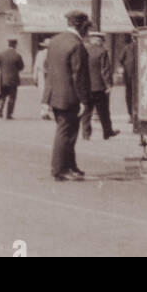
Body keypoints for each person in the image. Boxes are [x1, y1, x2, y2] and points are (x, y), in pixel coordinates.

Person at [47, 11, 92, 181]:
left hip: (57, 96)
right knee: (65, 133)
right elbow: (78, 75)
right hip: (71, 97)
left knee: (69, 132)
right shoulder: (76, 45)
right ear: (80, 26)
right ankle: (59, 169)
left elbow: (49, 71)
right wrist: (83, 100)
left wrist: (46, 99)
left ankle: (71, 166)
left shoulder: (55, 41)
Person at [80, 31, 119, 140]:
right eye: (101, 40)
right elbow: (105, 70)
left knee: (87, 111)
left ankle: (86, 134)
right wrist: (108, 85)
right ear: (98, 40)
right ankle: (107, 132)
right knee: (103, 111)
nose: (102, 42)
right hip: (99, 87)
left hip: (86, 86)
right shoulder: (102, 51)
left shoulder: (84, 50)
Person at [0, 39, 24, 120]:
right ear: (15, 45)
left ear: (8, 45)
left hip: (3, 79)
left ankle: (0, 109)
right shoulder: (17, 55)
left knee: (3, 96)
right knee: (12, 97)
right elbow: (21, 67)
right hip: (13, 80)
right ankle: (8, 114)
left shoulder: (1, 54)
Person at [117, 37, 138, 124]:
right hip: (133, 76)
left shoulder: (127, 47)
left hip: (131, 76)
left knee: (130, 95)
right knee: (134, 95)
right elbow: (120, 59)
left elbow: (120, 59)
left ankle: (132, 115)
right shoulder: (134, 46)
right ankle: (134, 115)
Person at [34, 41, 53, 120]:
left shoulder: (39, 54)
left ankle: (43, 111)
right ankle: (46, 112)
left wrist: (35, 78)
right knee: (49, 94)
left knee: (43, 94)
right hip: (48, 76)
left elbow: (36, 66)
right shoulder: (51, 54)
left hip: (40, 75)